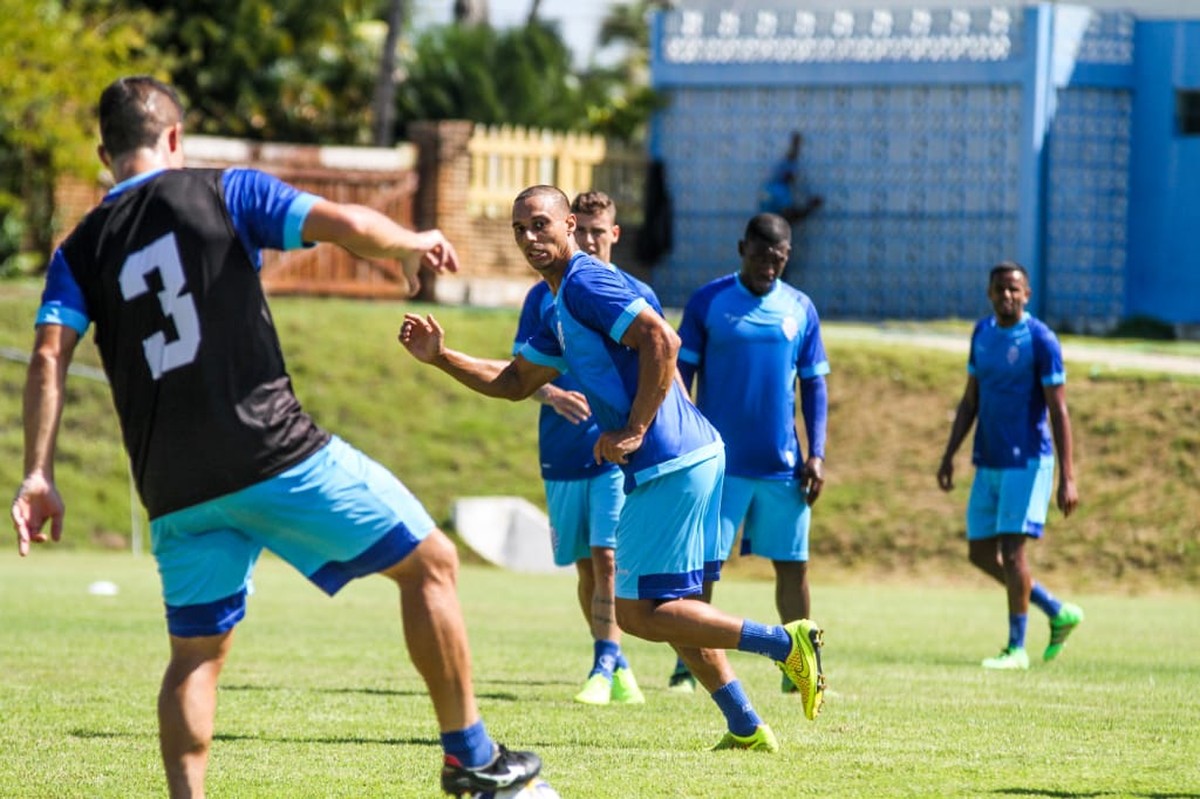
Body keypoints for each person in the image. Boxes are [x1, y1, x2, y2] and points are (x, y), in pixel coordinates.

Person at [9, 76, 540, 797]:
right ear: (174, 139)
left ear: (106, 154)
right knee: (432, 563)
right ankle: (470, 756)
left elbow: (48, 355)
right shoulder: (224, 190)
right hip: (272, 452)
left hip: (174, 488)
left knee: (195, 656)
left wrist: (37, 473)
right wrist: (409, 240)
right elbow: (345, 222)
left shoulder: (78, 251)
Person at [400, 185, 828, 754]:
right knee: (672, 611)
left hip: (670, 461)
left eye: (540, 224)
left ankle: (784, 644)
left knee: (639, 613)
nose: (530, 237)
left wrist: (634, 428)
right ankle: (746, 726)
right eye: (520, 229)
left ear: (570, 224)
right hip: (686, 459)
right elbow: (512, 382)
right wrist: (441, 357)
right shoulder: (558, 303)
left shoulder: (586, 282)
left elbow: (661, 339)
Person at [673, 212, 830, 695]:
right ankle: (690, 664)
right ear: (742, 248)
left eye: (779, 259)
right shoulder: (709, 302)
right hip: (719, 464)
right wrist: (684, 445)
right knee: (702, 566)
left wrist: (816, 453)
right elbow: (679, 379)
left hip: (782, 464)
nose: (769, 266)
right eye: (761, 256)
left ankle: (799, 663)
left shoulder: (800, 308)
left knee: (793, 564)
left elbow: (814, 385)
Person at [510, 190, 648, 706]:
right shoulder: (541, 296)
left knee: (607, 557)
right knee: (584, 567)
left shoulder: (630, 293)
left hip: (609, 451)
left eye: (597, 232)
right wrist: (551, 392)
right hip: (561, 451)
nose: (588, 240)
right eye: (582, 231)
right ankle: (616, 661)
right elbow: (521, 371)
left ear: (612, 234)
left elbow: (658, 360)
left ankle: (602, 664)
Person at [937, 261, 1084, 670]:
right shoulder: (982, 334)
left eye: (1015, 290)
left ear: (1027, 294)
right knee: (980, 553)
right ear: (989, 293)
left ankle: (1016, 648)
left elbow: (1059, 410)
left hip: (1028, 460)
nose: (1007, 296)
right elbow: (971, 401)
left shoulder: (1040, 340)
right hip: (989, 459)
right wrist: (949, 455)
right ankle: (1056, 610)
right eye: (1000, 289)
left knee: (1012, 552)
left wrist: (1067, 476)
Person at [758, 131, 822, 225]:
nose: (796, 177)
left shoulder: (771, 185)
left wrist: (795, 145)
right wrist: (811, 207)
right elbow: (791, 217)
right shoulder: (781, 193)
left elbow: (789, 160)